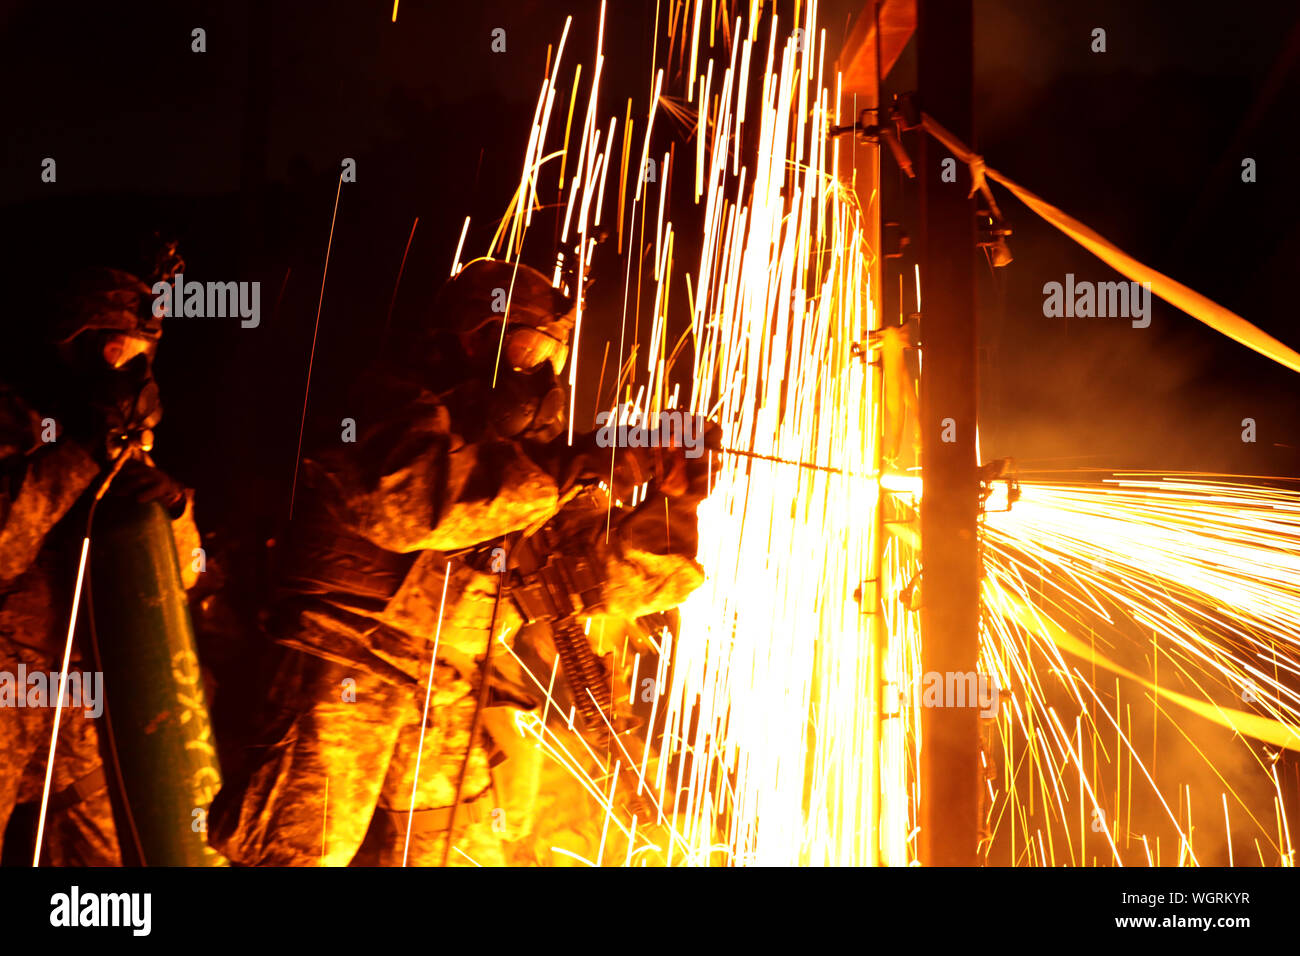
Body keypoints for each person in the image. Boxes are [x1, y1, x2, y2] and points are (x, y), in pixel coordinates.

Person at [209, 257, 710, 866]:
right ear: (470, 340)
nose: (541, 375)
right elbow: (407, 505)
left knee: (461, 857)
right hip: (342, 670)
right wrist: (576, 466)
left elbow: (601, 577)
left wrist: (667, 503)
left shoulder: (530, 462)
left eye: (552, 355)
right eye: (527, 349)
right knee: (293, 857)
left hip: (445, 690)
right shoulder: (385, 403)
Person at [0, 254, 198, 865]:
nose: (130, 370)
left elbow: (186, 581)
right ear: (74, 349)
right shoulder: (17, 424)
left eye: (140, 355)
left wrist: (174, 511)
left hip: (88, 698)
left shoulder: (133, 445)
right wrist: (82, 454)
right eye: (116, 350)